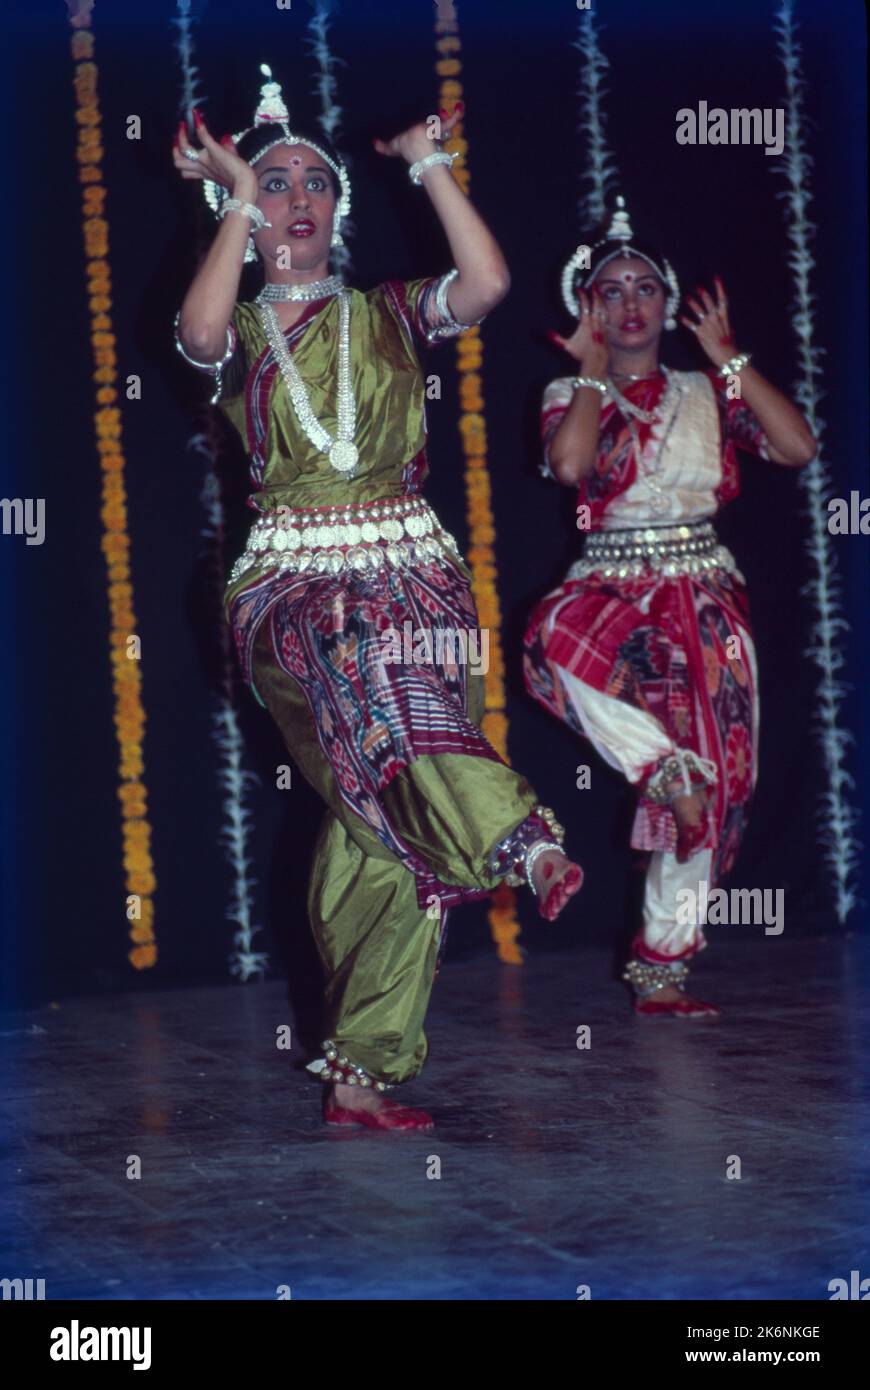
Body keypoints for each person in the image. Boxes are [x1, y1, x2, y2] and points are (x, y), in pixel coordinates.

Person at [172, 66, 582, 1130]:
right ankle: (517, 835)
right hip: (292, 592)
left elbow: (486, 285)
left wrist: (431, 167)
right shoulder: (243, 334)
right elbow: (202, 334)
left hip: (419, 579)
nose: (297, 193)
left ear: (338, 206)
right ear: (247, 205)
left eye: (315, 180)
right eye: (276, 181)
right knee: (367, 672)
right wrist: (232, 205)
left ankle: (362, 1071)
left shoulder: (388, 315)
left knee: (383, 820)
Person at [523, 196, 815, 1019]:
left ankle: (664, 969)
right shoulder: (565, 391)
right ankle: (664, 767)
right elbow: (573, 464)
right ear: (587, 306)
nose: (627, 304)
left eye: (643, 287)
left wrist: (730, 359)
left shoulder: (705, 390)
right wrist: (585, 372)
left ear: (666, 300)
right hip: (611, 584)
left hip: (706, 593)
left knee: (725, 783)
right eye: (608, 291)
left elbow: (796, 448)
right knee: (552, 639)